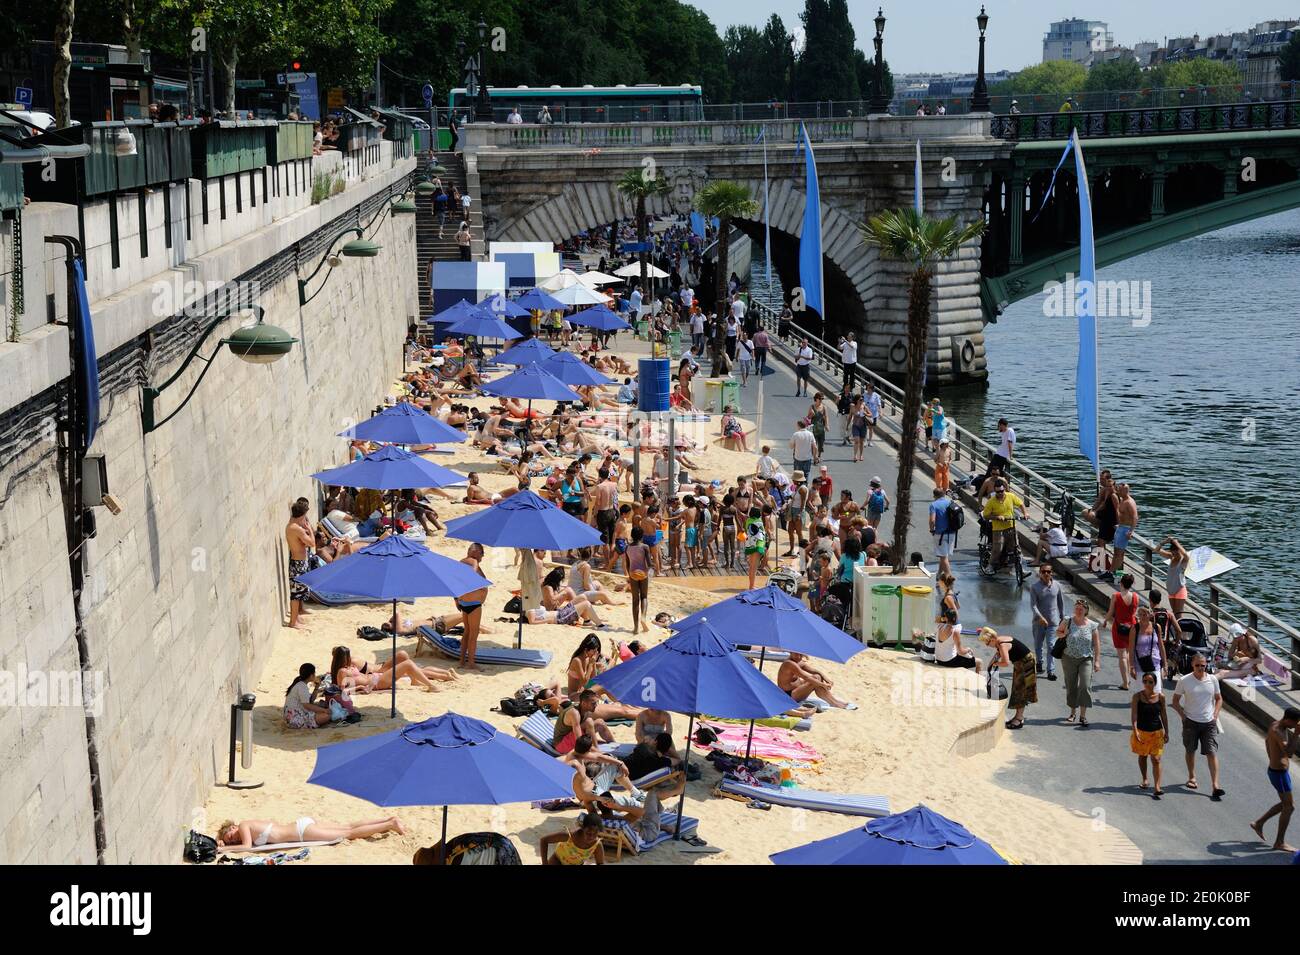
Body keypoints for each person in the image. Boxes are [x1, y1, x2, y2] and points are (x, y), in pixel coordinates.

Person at [1171, 653, 1225, 800]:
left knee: (1212, 752)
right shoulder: (1184, 681)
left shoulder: (1212, 679)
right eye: (1197, 665)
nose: (1200, 668)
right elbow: (1175, 702)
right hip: (1191, 722)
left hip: (1209, 723)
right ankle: (1192, 777)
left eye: (1203, 665)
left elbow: (1219, 699)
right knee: (1190, 750)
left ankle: (1215, 785)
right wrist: (1183, 717)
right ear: (1192, 665)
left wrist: (1215, 714)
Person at [1251, 707, 1299, 852]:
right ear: (1288, 719)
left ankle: (1259, 823)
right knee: (1289, 807)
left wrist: (1272, 758)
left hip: (1277, 771)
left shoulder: (1275, 725)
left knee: (1286, 804)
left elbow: (1267, 743)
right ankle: (1279, 842)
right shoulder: (1278, 731)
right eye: (1295, 722)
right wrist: (1296, 734)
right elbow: (1289, 753)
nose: (1295, 725)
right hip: (1279, 774)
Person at [216, 816, 405, 849]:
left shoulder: (243, 826)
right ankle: (388, 820)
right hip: (302, 825)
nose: (234, 840)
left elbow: (247, 846)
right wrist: (226, 844)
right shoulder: (252, 824)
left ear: (232, 827)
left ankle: (388, 825)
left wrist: (224, 850)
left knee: (348, 833)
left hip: (301, 831)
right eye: (231, 841)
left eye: (230, 837)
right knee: (347, 826)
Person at [1056, 598, 1102, 726]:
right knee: (1071, 686)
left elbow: (1097, 645)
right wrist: (1063, 634)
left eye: (1081, 609)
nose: (1078, 610)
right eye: (1077, 608)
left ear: (1086, 611)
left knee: (1085, 685)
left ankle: (1083, 716)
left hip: (1085, 658)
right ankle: (1072, 712)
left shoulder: (1092, 625)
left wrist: (1097, 661)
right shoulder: (1068, 620)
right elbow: (1057, 633)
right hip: (1068, 657)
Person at [979, 627, 1035, 730]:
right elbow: (998, 654)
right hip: (1024, 661)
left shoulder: (1001, 644)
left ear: (992, 639)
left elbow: (1005, 662)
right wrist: (990, 665)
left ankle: (1018, 719)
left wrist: (995, 664)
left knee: (1019, 691)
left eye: (987, 643)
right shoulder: (1000, 640)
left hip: (1025, 663)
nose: (987, 646)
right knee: (1019, 690)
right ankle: (1018, 717)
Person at [1130, 671, 1170, 799]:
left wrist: (1167, 731)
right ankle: (1145, 779)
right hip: (1142, 731)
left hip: (1157, 732)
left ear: (1155, 683)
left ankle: (1157, 787)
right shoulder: (1137, 697)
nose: (1147, 684)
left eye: (1150, 682)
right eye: (1145, 681)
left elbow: (1163, 714)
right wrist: (1135, 730)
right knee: (1143, 756)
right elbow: (1134, 714)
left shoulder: (1161, 697)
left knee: (1156, 759)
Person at [777, 652, 857, 709]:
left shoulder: (798, 662)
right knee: (815, 680)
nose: (798, 657)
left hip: (796, 690)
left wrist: (826, 679)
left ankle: (834, 701)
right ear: (790, 653)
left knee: (817, 677)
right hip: (789, 696)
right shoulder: (789, 664)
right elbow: (806, 677)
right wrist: (823, 685)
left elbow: (815, 671)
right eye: (796, 654)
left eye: (800, 654)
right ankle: (834, 703)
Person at [1101, 573, 1140, 691]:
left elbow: (1111, 611)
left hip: (1119, 627)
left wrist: (1105, 621)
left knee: (1122, 655)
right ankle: (1128, 678)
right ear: (1132, 584)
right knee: (1128, 653)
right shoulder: (1136, 597)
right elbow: (1134, 613)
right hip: (1132, 627)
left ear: (1121, 583)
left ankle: (1125, 682)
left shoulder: (1116, 596)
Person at [1027, 563, 1064, 681]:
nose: (1046, 574)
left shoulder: (1057, 585)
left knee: (1051, 646)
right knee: (1038, 645)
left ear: (1051, 572)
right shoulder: (1035, 587)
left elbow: (1060, 603)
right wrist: (1040, 617)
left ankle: (1051, 671)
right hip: (1038, 622)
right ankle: (1039, 662)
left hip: (1053, 622)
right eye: (1043, 572)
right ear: (1040, 573)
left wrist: (1062, 617)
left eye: (1048, 571)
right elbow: (1033, 605)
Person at [981, 478, 1025, 571]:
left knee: (1016, 548)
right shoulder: (991, 501)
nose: (1000, 493)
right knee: (998, 548)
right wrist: (997, 517)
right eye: (998, 492)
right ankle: (991, 565)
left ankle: (1020, 568)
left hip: (1011, 526)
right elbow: (986, 515)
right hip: (998, 529)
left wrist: (1025, 513)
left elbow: (1020, 504)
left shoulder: (1011, 496)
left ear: (1004, 489)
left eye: (1001, 491)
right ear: (995, 491)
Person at [456, 543, 489, 670]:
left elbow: (455, 581)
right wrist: (482, 588)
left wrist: (456, 599)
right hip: (474, 604)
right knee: (473, 635)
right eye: (482, 553)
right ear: (476, 552)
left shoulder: (461, 562)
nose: (482, 557)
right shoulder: (473, 562)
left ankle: (461, 661)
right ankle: (471, 663)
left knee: (466, 632)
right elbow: (472, 577)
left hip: (463, 602)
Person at [285, 500, 314, 630]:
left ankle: (295, 618)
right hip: (298, 563)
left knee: (299, 592)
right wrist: (309, 530)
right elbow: (312, 543)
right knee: (296, 594)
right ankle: (293, 622)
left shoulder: (292, 525)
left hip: (298, 562)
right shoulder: (296, 529)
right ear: (302, 516)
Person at [540, 813, 605, 865]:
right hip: (557, 861)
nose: (591, 837)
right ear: (582, 828)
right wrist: (544, 863)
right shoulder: (569, 836)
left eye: (595, 834)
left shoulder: (597, 845)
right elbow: (544, 840)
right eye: (588, 833)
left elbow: (600, 863)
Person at [1130, 606, 1165, 694]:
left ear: (1150, 615)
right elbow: (1131, 649)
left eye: (1144, 614)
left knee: (1157, 692)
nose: (1142, 617)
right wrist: (1132, 666)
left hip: (1155, 662)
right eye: (1140, 615)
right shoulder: (1135, 629)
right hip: (1140, 663)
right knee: (1141, 693)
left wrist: (1165, 664)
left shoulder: (1156, 627)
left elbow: (1161, 646)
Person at [1155, 536, 1191, 622]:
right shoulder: (1171, 557)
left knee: (1179, 615)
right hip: (1171, 590)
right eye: (1173, 553)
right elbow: (1156, 550)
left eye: (1176, 553)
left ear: (1179, 550)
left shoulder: (1183, 560)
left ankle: (1182, 633)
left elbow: (1186, 554)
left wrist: (1176, 542)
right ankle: (1177, 631)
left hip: (1180, 590)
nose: (1174, 555)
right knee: (1174, 613)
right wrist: (1164, 542)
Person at [283, 664, 331, 728]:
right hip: (294, 718)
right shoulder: (302, 686)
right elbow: (307, 705)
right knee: (326, 716)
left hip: (293, 715)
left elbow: (311, 700)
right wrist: (324, 710)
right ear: (311, 676)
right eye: (314, 674)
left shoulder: (300, 683)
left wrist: (317, 687)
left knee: (322, 707)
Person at [625, 526, 653, 634]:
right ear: (642, 536)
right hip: (643, 573)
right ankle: (643, 617)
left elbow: (627, 564)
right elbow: (649, 563)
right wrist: (652, 566)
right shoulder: (645, 547)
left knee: (635, 600)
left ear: (632, 535)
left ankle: (636, 627)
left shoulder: (627, 547)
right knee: (644, 596)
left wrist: (630, 575)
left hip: (632, 574)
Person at [929, 487, 957, 579]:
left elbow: (932, 520)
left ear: (934, 496)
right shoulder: (950, 502)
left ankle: (949, 576)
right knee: (944, 555)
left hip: (940, 534)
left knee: (943, 557)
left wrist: (932, 529)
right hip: (952, 533)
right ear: (944, 494)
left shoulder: (934, 505)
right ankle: (939, 574)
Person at [1113, 483, 1139, 578]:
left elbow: (1135, 517)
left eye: (1120, 490)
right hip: (1120, 527)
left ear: (1125, 491)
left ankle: (1113, 573)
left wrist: (1131, 531)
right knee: (1116, 552)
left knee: (1119, 553)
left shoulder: (1129, 502)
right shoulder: (1122, 500)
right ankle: (1116, 573)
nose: (1118, 491)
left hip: (1125, 529)